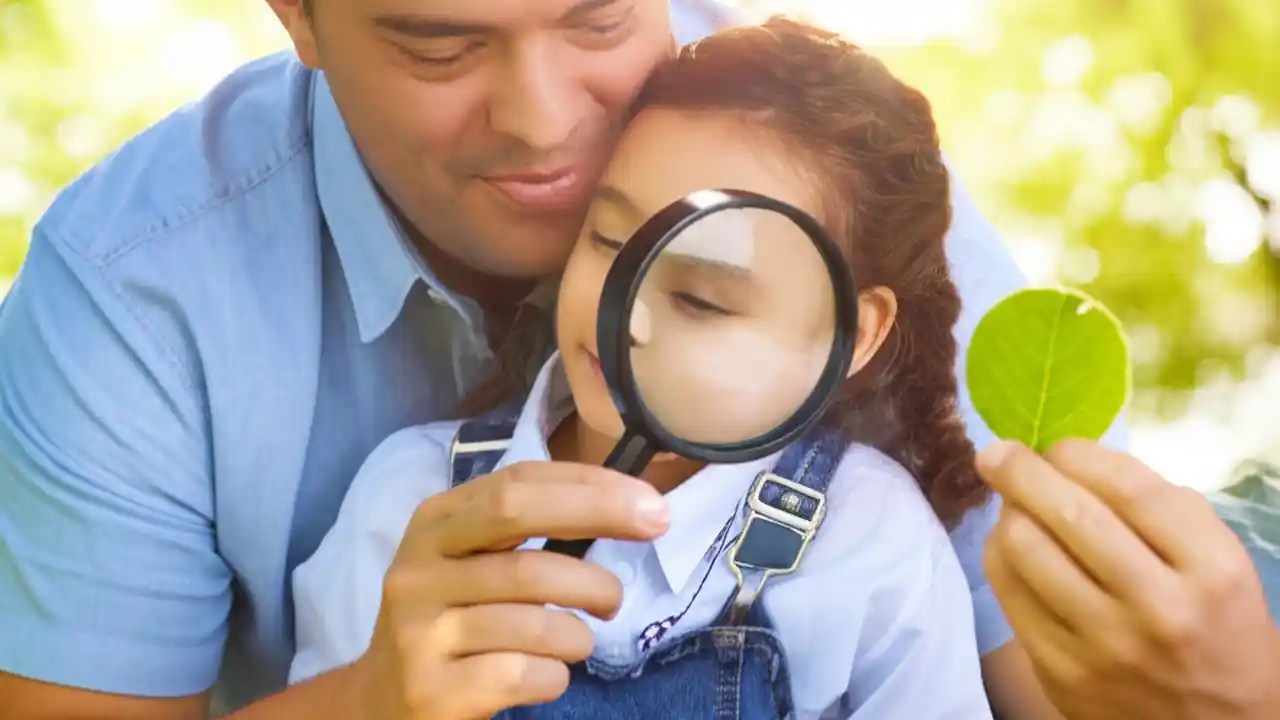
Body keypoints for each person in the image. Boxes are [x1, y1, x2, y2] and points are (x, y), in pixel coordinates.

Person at [287, 18, 994, 718]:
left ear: (853, 335)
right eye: (608, 239)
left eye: (700, 297)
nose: (625, 315)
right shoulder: (412, 499)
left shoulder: (870, 542)